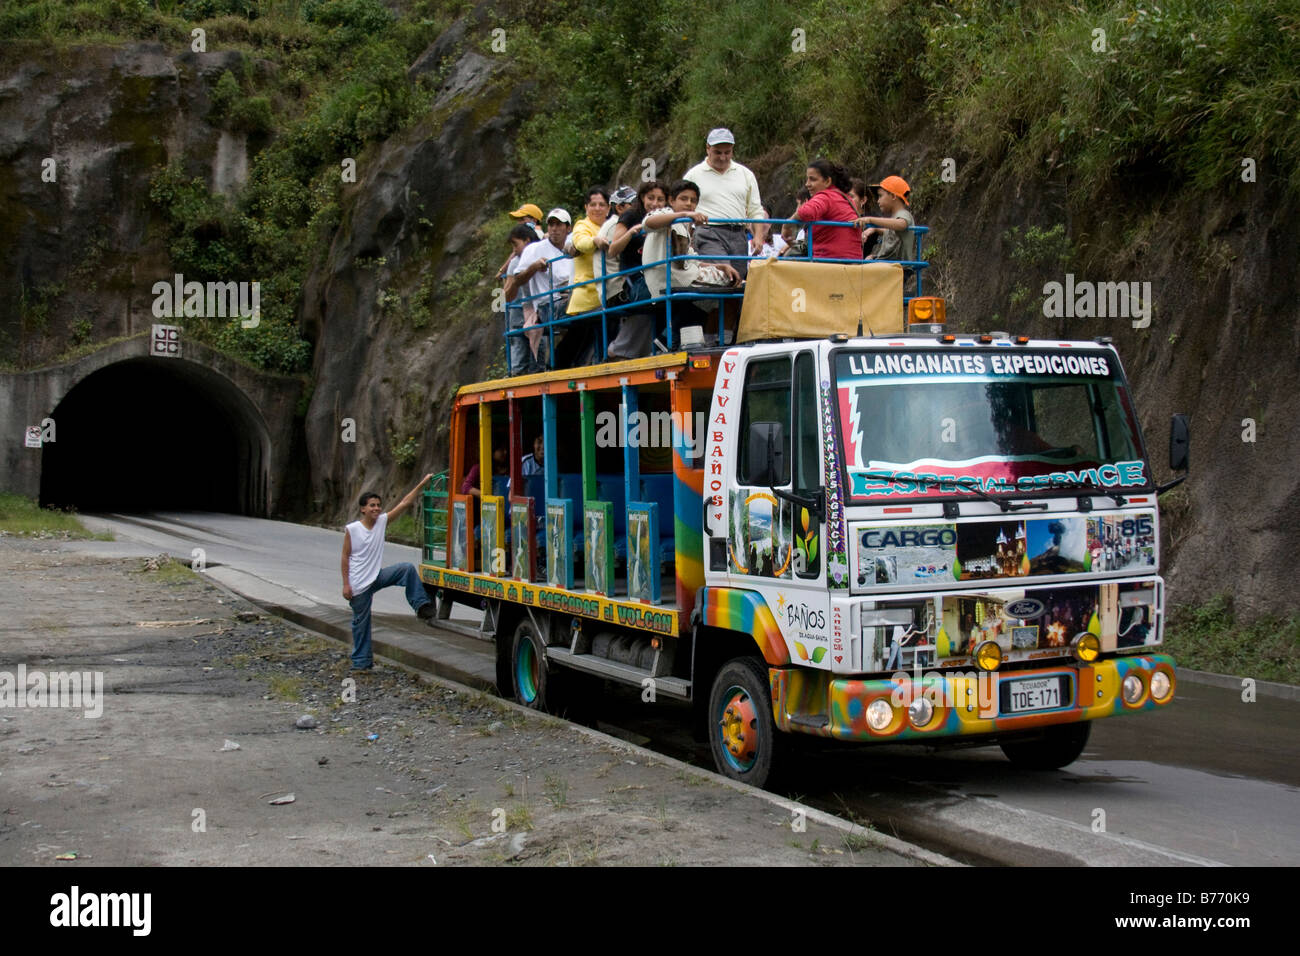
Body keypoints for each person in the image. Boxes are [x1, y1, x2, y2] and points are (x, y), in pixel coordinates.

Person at [342, 476, 436, 671]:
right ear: (363, 509)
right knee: (361, 625)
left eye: (378, 505)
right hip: (359, 585)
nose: (376, 508)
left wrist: (422, 483)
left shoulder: (381, 522)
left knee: (406, 569)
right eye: (372, 506)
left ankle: (421, 605)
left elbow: (405, 503)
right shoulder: (353, 529)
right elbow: (345, 556)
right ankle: (361, 663)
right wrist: (346, 584)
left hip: (376, 576)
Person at [643, 179, 743, 339]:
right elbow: (648, 222)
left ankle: (706, 339)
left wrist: (719, 266)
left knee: (716, 297)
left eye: (693, 201)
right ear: (671, 200)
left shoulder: (683, 226)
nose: (689, 204)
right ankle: (724, 341)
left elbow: (691, 260)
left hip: (681, 275)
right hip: (674, 278)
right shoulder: (665, 214)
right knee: (738, 285)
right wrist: (684, 214)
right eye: (684, 199)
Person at [683, 128, 767, 279]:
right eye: (718, 152)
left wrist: (758, 237)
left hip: (738, 233)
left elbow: (755, 209)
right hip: (708, 231)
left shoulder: (745, 174)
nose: (723, 157)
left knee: (738, 281)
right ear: (708, 149)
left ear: (732, 151)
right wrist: (685, 238)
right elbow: (683, 208)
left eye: (727, 152)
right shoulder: (693, 175)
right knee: (723, 275)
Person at [605, 180, 668, 359]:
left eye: (660, 199)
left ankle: (663, 341)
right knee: (658, 293)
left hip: (660, 272)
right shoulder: (632, 215)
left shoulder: (666, 217)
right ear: (642, 198)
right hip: (635, 276)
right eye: (651, 198)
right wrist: (631, 232)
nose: (655, 204)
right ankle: (624, 348)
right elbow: (613, 248)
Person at [506, 208, 572, 372]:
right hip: (545, 306)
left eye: (559, 224)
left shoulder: (573, 246)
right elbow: (517, 280)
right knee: (522, 357)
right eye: (551, 225)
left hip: (568, 297)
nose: (554, 229)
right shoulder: (534, 249)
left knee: (597, 310)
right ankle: (558, 364)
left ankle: (569, 362)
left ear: (568, 228)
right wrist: (534, 267)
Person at [558, 187, 612, 367]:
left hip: (606, 289)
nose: (597, 208)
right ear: (586, 207)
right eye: (593, 205)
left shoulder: (610, 226)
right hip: (587, 292)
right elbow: (580, 242)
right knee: (591, 333)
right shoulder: (583, 225)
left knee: (591, 334)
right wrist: (595, 241)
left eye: (602, 205)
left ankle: (603, 360)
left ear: (608, 207)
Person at [794, 159, 862, 260]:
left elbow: (806, 213)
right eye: (807, 179)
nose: (807, 184)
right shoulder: (846, 198)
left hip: (831, 262)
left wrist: (787, 224)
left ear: (827, 181)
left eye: (812, 179)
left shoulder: (825, 196)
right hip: (853, 261)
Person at [502, 224, 539, 374]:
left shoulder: (543, 252)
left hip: (538, 313)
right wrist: (516, 281)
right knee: (519, 357)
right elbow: (507, 296)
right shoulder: (515, 262)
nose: (514, 250)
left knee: (538, 359)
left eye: (516, 244)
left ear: (527, 241)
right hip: (520, 314)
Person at [859, 175, 915, 261]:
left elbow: (902, 224)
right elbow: (893, 232)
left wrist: (870, 219)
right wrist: (875, 229)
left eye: (880, 196)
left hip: (898, 268)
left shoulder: (904, 214)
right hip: (888, 265)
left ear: (893, 196)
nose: (878, 201)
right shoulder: (895, 218)